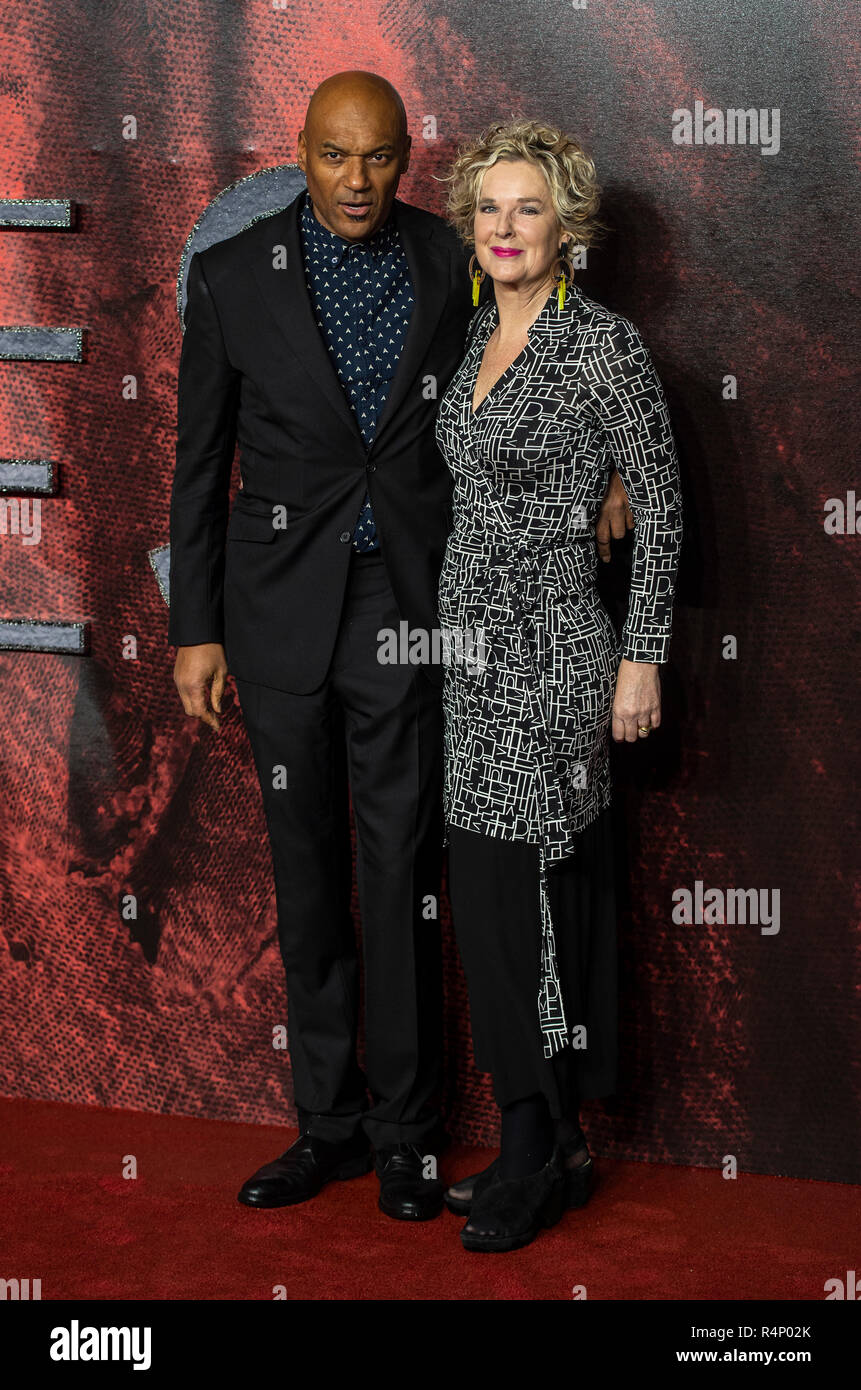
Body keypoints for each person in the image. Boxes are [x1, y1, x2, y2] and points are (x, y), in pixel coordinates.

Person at [169, 73, 632, 1224]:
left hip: (414, 607)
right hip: (276, 615)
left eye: (379, 157)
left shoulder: (452, 255)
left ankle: (406, 1138)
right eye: (335, 157)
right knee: (307, 874)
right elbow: (196, 463)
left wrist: (613, 460)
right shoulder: (233, 277)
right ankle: (324, 1124)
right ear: (303, 154)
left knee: (401, 874)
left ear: (408, 157)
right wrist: (196, 627)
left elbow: (550, 324)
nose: (358, 180)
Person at [435, 120, 684, 1252]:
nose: (504, 227)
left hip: (554, 653)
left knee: (540, 887)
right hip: (466, 657)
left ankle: (540, 1143)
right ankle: (547, 1138)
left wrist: (641, 656)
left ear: (567, 226)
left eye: (527, 208)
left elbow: (662, 505)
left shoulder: (604, 347)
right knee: (489, 893)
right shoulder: (473, 332)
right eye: (490, 208)